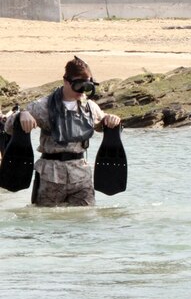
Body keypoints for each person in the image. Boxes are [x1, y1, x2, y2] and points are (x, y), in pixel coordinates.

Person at [3, 57, 121, 206]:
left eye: (87, 86)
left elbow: (102, 123)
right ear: (66, 81)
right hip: (50, 177)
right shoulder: (43, 106)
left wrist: (110, 120)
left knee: (85, 221)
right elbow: (8, 127)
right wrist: (21, 115)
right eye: (78, 85)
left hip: (81, 176)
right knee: (47, 222)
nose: (82, 91)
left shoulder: (90, 107)